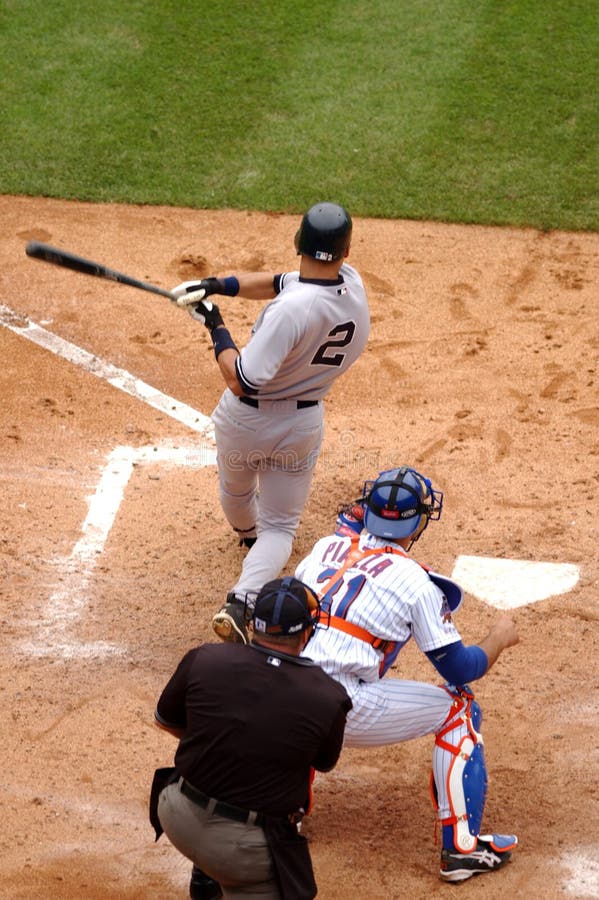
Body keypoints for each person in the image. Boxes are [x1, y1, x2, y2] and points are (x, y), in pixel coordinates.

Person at [293, 465, 520, 883]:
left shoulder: (324, 547)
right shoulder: (416, 583)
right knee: (458, 707)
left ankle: (284, 813)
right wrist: (497, 639)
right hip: (346, 708)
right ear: (417, 523)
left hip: (282, 695)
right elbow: (460, 667)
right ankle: (463, 849)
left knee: (300, 695)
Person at [171, 202, 370, 644]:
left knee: (237, 491)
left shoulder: (290, 311)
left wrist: (214, 322)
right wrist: (216, 284)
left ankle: (246, 534)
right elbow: (280, 281)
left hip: (245, 421)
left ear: (298, 242)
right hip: (302, 425)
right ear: (346, 250)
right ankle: (241, 600)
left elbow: (241, 379)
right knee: (281, 527)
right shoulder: (352, 286)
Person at [152, 576, 352, 899]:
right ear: (304, 633)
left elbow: (166, 720)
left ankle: (205, 874)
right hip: (245, 851)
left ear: (252, 623)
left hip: (177, 815)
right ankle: (216, 865)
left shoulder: (204, 658)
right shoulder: (328, 697)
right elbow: (324, 762)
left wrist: (220, 740)